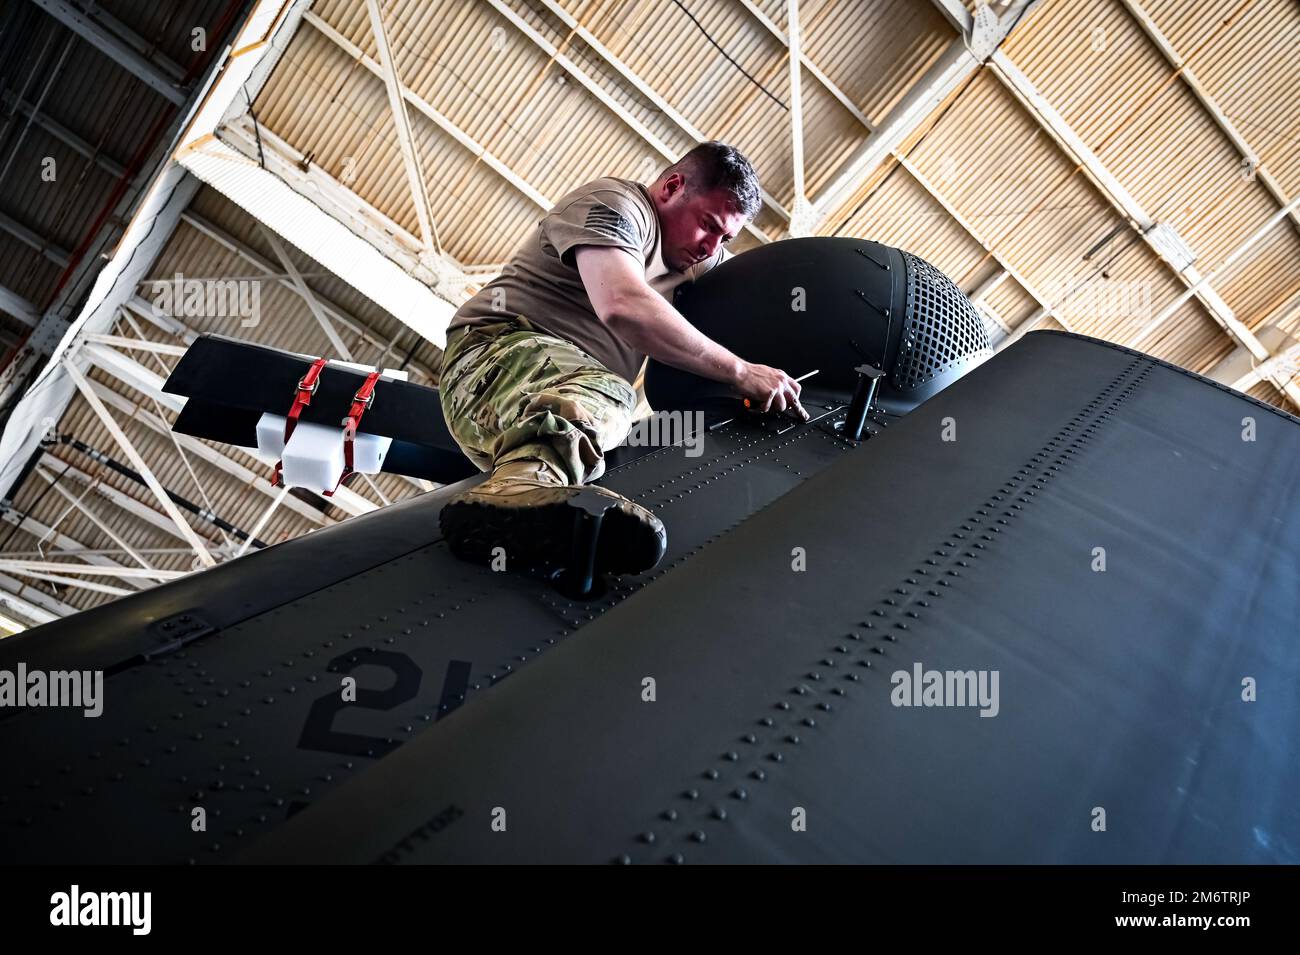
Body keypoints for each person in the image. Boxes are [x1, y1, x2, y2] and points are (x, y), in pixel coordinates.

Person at [437, 140, 807, 576]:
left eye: (725, 238)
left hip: (552, 395)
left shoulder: (697, 262)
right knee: (613, 394)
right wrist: (739, 371)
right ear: (672, 187)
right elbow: (621, 304)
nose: (711, 246)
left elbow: (749, 310)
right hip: (492, 358)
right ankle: (523, 483)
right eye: (708, 225)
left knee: (623, 444)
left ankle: (532, 498)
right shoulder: (615, 205)